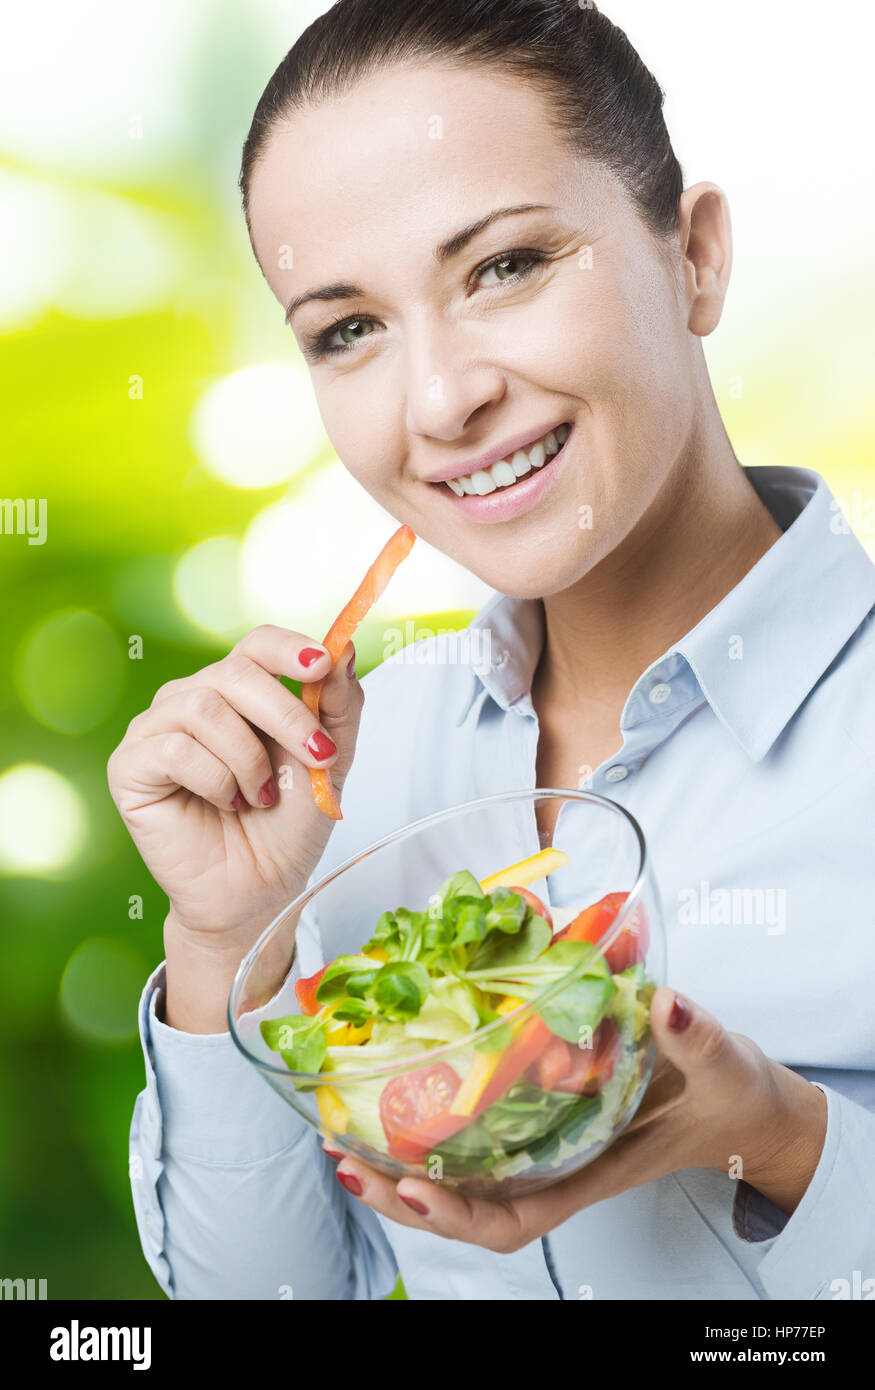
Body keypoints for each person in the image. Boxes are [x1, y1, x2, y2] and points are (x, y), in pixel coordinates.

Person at [111, 0, 875, 1299]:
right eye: (348, 329)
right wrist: (228, 935)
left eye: (506, 265)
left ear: (694, 257)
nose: (440, 400)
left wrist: (779, 1136)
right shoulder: (352, 775)